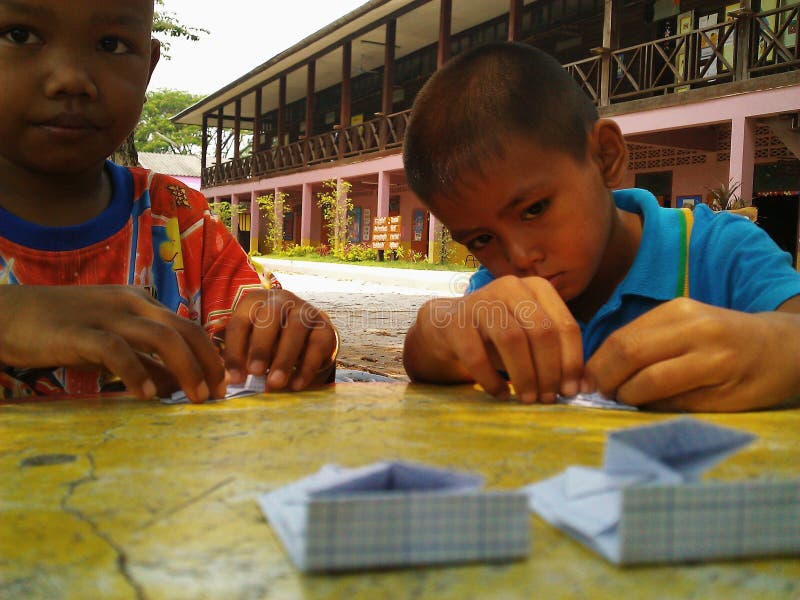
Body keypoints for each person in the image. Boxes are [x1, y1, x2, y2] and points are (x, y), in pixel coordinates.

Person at [402, 42, 800, 412]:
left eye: (535, 209)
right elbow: (424, 357)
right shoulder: (501, 297)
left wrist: (774, 349)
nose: (521, 258)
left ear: (605, 157)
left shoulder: (722, 253)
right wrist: (439, 327)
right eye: (483, 239)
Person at [0, 0, 338, 403]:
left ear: (149, 68)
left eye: (111, 44)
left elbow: (267, 337)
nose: (71, 79)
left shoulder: (180, 218)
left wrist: (300, 340)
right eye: (19, 35)